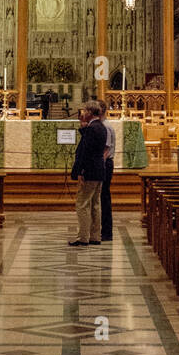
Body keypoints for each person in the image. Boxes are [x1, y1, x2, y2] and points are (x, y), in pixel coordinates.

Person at [69, 102, 107, 247]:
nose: (82, 113)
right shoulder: (101, 126)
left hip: (89, 170)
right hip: (98, 169)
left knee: (82, 203)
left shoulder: (92, 128)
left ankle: (83, 237)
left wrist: (80, 171)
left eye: (85, 110)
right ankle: (95, 236)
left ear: (90, 112)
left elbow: (85, 152)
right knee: (95, 204)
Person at [99, 100, 115, 242]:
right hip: (104, 163)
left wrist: (98, 165)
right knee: (103, 197)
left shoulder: (105, 127)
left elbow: (106, 149)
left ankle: (107, 232)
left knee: (104, 197)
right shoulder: (102, 125)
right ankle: (103, 230)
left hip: (105, 164)